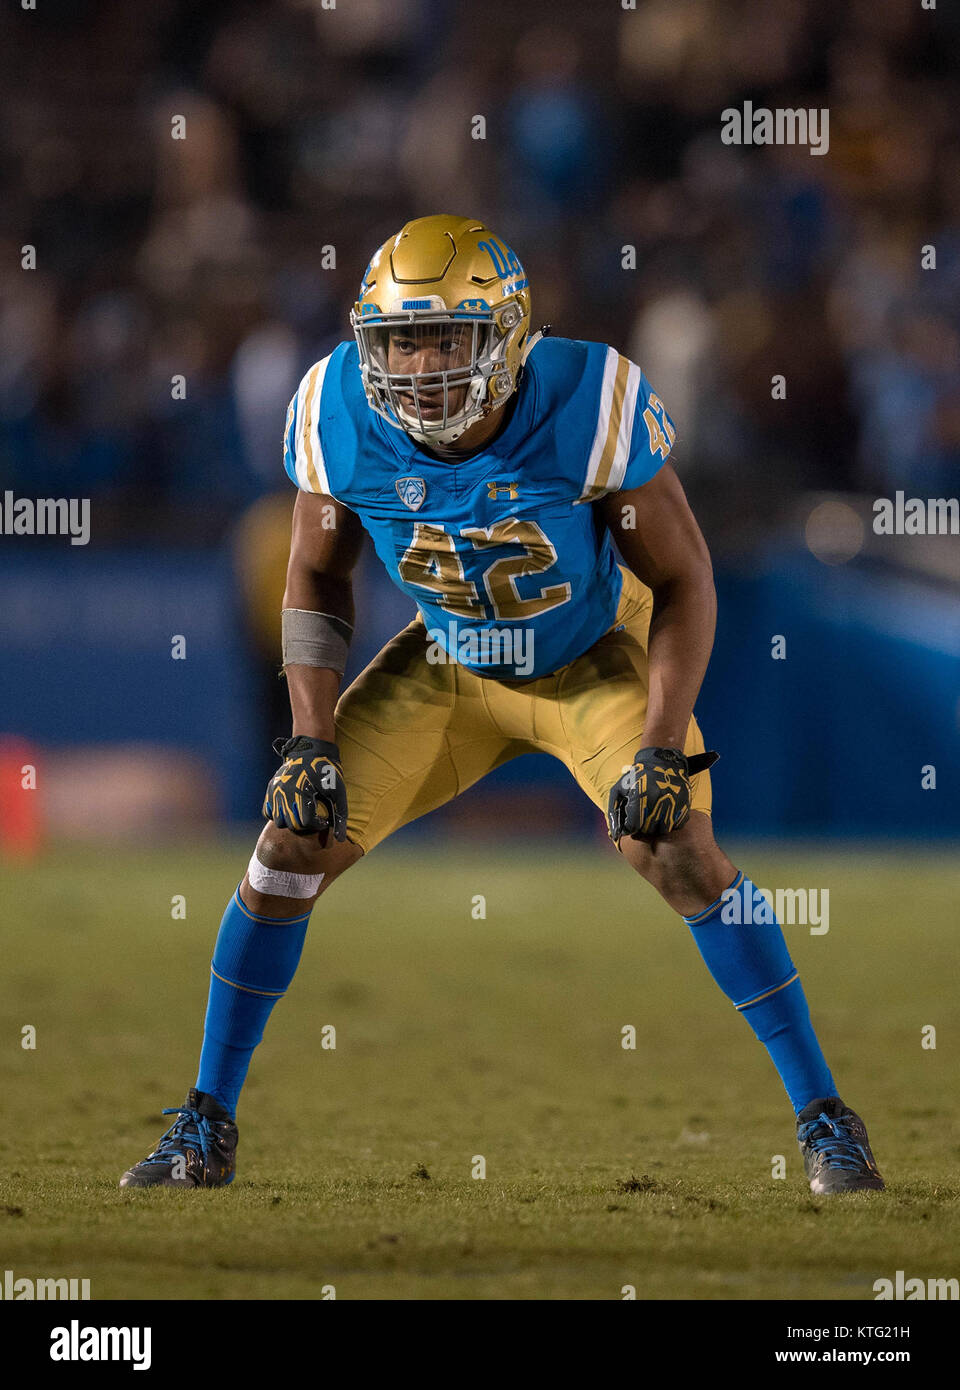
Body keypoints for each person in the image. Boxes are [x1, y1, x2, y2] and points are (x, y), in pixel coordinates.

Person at [120, 215, 883, 1196]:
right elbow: (315, 574)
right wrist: (308, 735)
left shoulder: (585, 399)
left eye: (445, 336)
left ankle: (827, 1118)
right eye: (398, 339)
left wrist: (657, 746)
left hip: (593, 658)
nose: (419, 364)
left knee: (676, 845)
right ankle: (204, 1125)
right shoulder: (335, 410)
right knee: (285, 847)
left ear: (510, 336)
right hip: (450, 669)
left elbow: (687, 579)